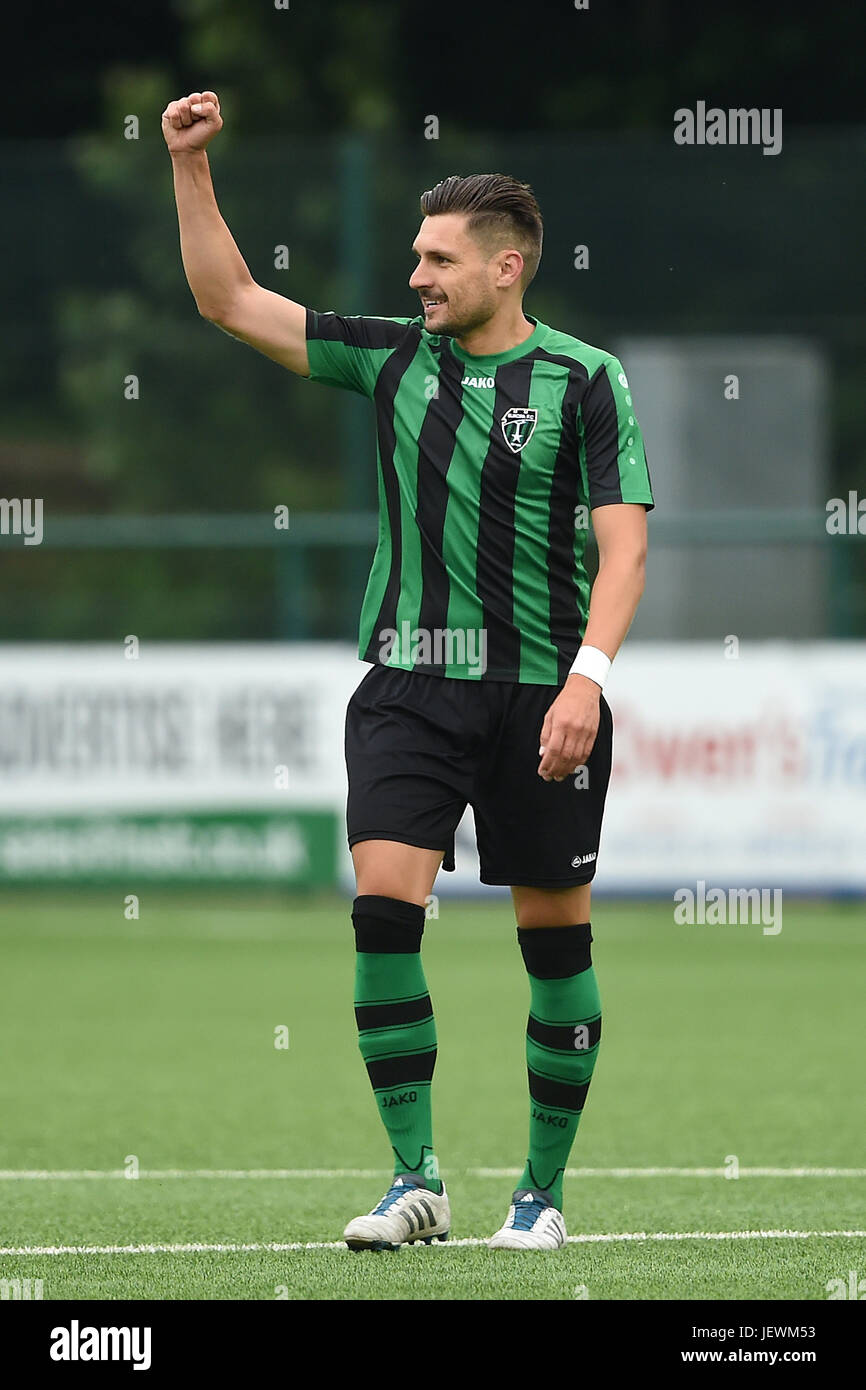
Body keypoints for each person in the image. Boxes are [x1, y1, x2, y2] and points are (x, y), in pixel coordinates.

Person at [163, 90, 653, 1251]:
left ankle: (538, 1198)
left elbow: (624, 545)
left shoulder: (585, 380)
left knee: (554, 942)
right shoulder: (388, 360)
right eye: (416, 256)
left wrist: (585, 678)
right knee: (384, 911)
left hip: (544, 694)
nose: (418, 275)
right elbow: (229, 299)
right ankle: (414, 1177)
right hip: (406, 687)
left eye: (439, 259)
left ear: (506, 267)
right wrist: (187, 167)